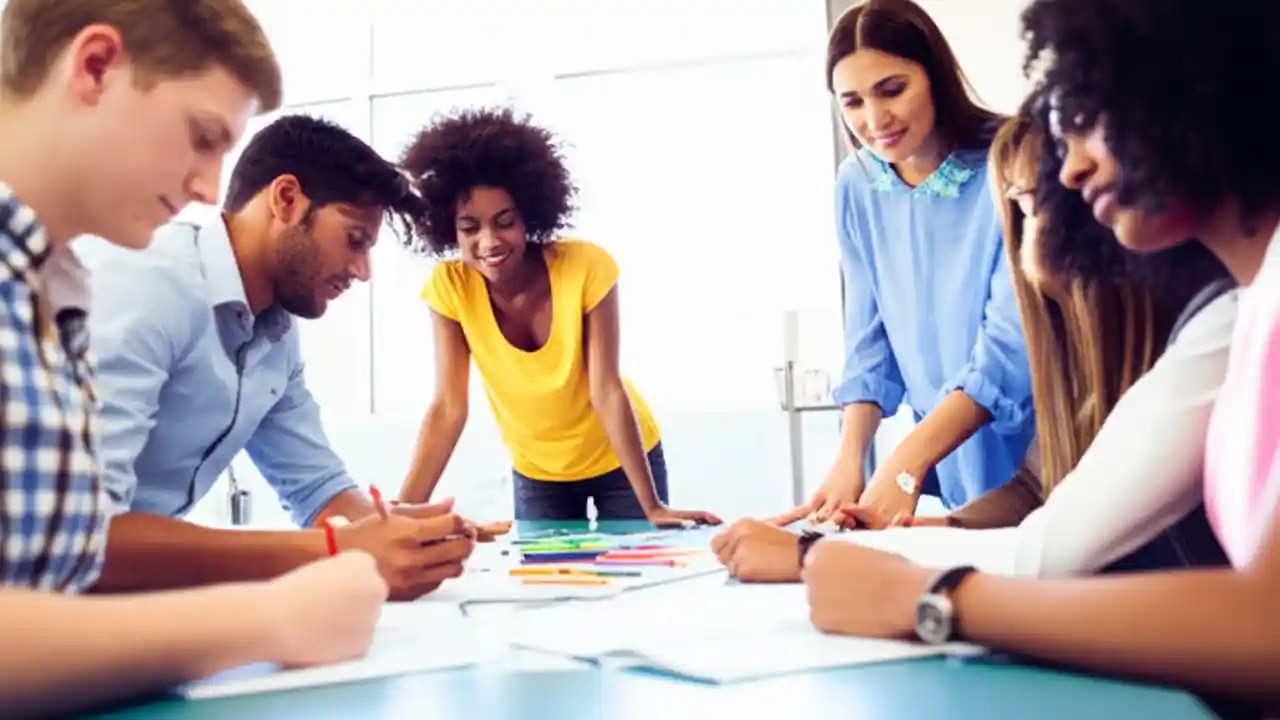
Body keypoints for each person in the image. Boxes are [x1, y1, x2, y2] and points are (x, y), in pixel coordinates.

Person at [801, 0, 1280, 709]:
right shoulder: (1235, 315)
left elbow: (1264, 625)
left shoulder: (1232, 317)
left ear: (1199, 91)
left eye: (1095, 114)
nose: (1073, 171)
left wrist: (928, 598)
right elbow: (1046, 525)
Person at [0, 1, 387, 716]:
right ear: (95, 68)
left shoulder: (59, 287)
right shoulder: (127, 284)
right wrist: (272, 613)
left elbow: (55, 581)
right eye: (202, 137)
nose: (210, 190)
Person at [713, 110, 1234, 581]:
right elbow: (1036, 489)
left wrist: (818, 558)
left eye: (1030, 203)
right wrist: (901, 530)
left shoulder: (1205, 332)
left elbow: (1048, 553)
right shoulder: (1079, 354)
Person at [83, 113, 476, 600]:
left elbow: (318, 491)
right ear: (286, 199)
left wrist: (405, 536)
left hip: (119, 598)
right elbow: (83, 538)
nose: (362, 271)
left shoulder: (275, 330)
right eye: (355, 240)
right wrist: (335, 551)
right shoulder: (148, 285)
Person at [771, 0, 1034, 528]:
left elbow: (1010, 347)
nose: (875, 120)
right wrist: (851, 458)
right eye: (853, 102)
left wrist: (904, 463)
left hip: (1036, 442)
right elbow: (869, 339)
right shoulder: (859, 184)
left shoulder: (1012, 156)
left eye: (892, 90)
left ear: (935, 76)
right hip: (946, 453)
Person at [395, 107, 720, 527]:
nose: (489, 241)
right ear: (448, 228)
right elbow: (449, 408)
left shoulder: (585, 266)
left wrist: (652, 506)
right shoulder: (450, 288)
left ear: (529, 213)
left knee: (634, 581)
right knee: (546, 586)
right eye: (470, 227)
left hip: (619, 462)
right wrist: (400, 514)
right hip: (539, 475)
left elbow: (607, 388)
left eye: (505, 222)